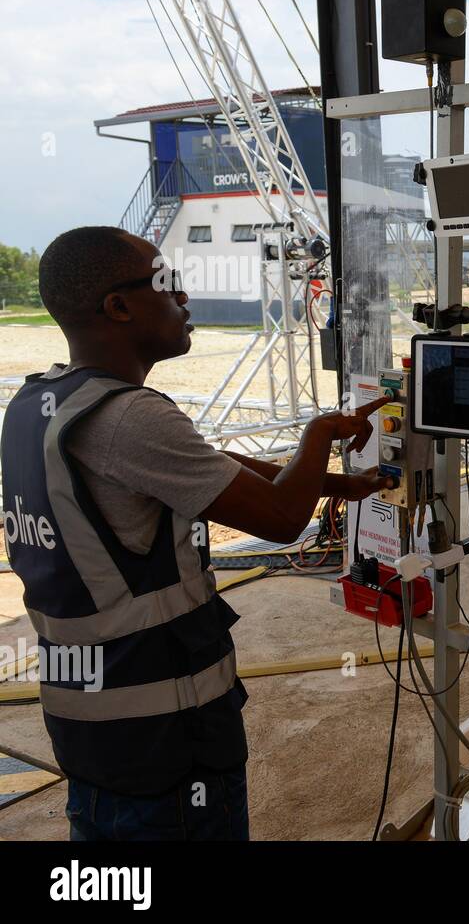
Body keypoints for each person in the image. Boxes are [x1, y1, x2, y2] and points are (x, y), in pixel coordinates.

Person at [0, 226, 391, 840]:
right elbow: (284, 522)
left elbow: (203, 468)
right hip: (165, 740)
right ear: (119, 306)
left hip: (93, 730)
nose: (187, 303)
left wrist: (337, 485)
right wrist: (318, 436)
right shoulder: (132, 415)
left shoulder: (45, 403)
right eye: (171, 287)